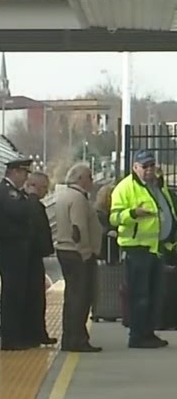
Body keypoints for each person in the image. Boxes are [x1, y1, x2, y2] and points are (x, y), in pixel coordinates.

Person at [109, 150, 176, 348]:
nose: (148, 170)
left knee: (154, 293)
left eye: (151, 166)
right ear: (135, 167)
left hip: (156, 248)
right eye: (144, 166)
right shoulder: (125, 188)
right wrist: (133, 214)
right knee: (140, 294)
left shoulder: (157, 187)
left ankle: (148, 332)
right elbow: (114, 217)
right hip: (137, 248)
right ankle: (137, 335)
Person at [0, 157, 42, 350]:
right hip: (10, 250)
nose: (26, 179)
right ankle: (11, 339)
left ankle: (18, 336)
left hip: (15, 250)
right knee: (13, 294)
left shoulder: (12, 192)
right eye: (25, 174)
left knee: (18, 293)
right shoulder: (6, 192)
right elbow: (20, 213)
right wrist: (32, 199)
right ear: (15, 172)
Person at [50, 163, 102, 352]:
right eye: (89, 176)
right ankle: (78, 340)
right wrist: (86, 253)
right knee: (81, 297)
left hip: (66, 251)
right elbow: (78, 229)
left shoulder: (63, 196)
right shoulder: (78, 199)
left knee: (72, 297)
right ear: (80, 179)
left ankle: (70, 337)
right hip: (77, 253)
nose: (92, 181)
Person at [26, 171, 57, 346]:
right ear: (33, 186)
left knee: (37, 298)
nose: (46, 191)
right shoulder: (34, 206)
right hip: (33, 259)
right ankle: (38, 334)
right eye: (44, 187)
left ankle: (38, 333)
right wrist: (46, 249)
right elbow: (38, 233)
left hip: (32, 258)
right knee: (36, 299)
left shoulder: (32, 204)